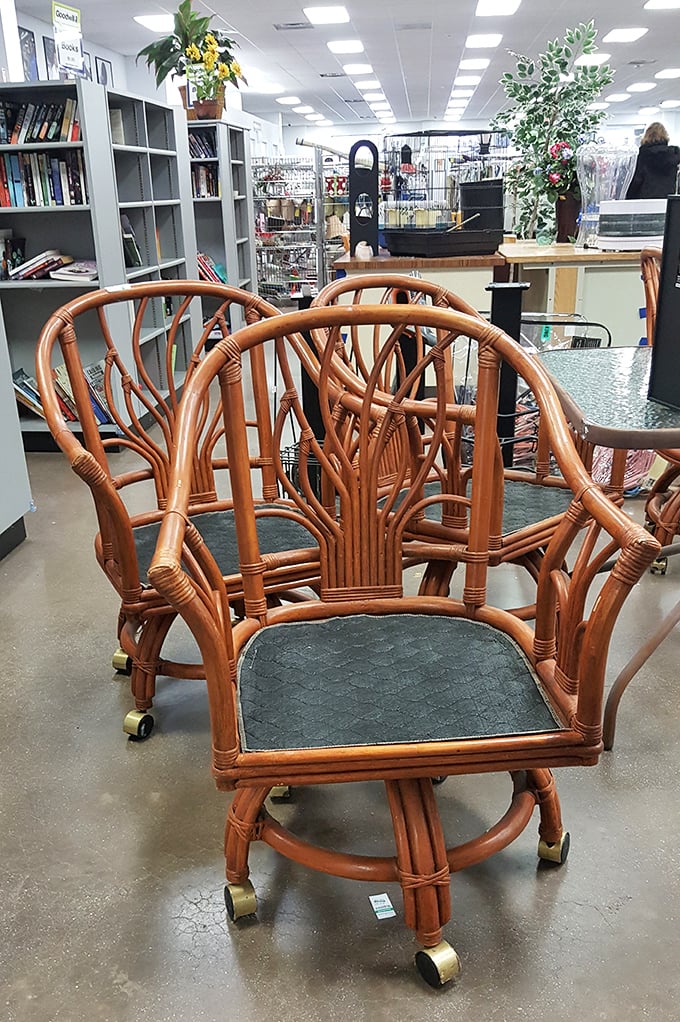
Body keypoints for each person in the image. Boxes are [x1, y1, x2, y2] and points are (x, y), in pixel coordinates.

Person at [626, 122, 680, 200]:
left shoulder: (643, 155)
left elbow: (637, 180)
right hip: (667, 200)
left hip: (645, 200)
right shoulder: (673, 155)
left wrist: (628, 198)